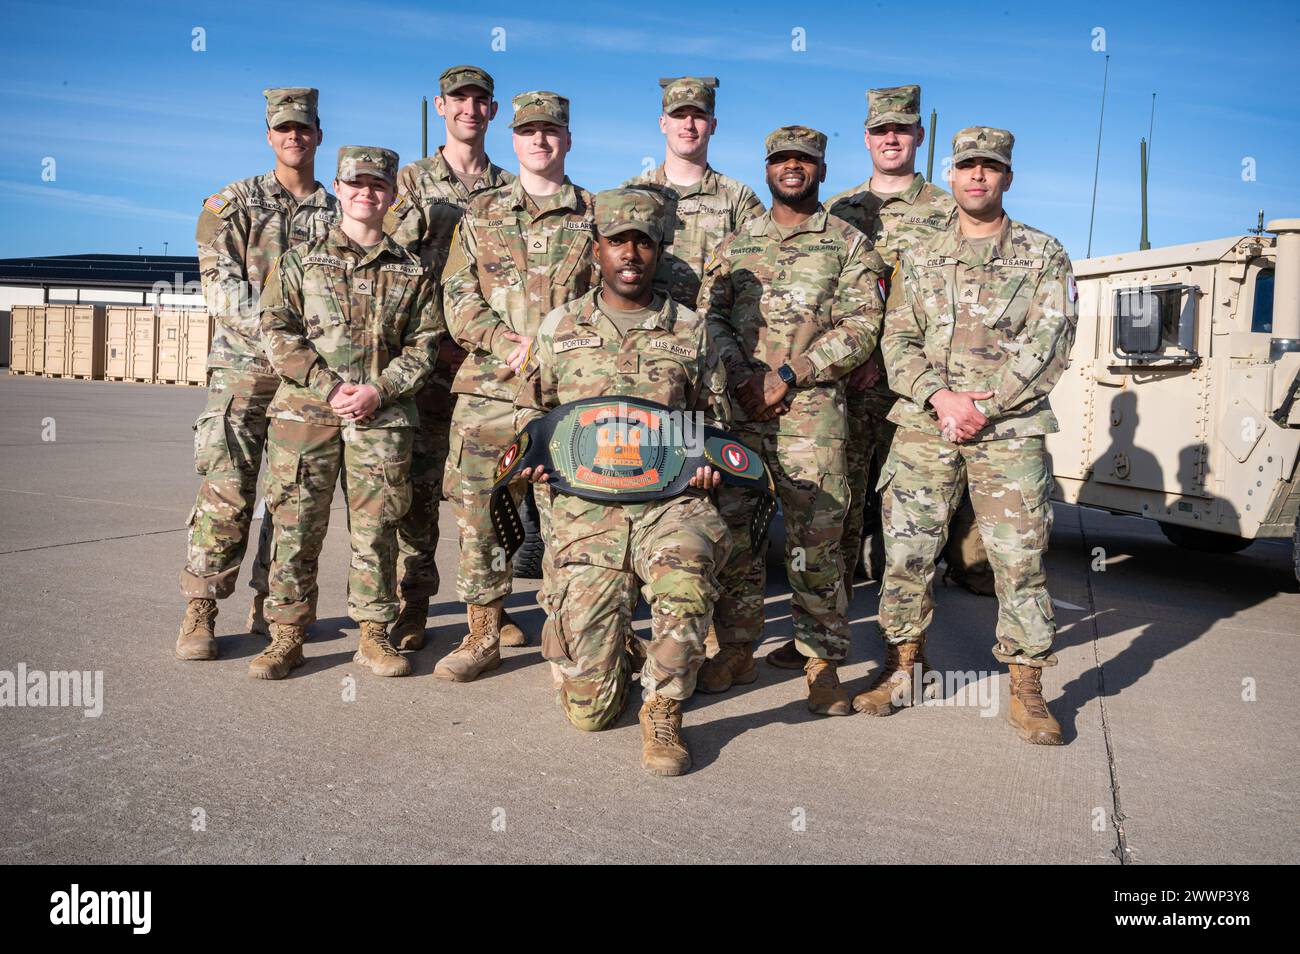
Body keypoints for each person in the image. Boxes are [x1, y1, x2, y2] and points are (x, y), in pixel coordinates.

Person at [869, 127, 1076, 742]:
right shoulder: (923, 254)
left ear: (1008, 177)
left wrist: (985, 406)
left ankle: (1028, 688)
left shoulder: (1044, 254)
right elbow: (896, 339)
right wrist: (941, 398)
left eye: (990, 167)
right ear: (952, 176)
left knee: (1018, 559)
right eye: (967, 167)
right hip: (924, 425)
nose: (978, 177)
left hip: (1008, 429)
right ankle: (903, 668)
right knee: (906, 554)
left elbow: (1053, 340)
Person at [514, 187, 730, 775]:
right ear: (597, 249)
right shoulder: (560, 326)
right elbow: (532, 413)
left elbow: (709, 419)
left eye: (644, 241)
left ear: (659, 250)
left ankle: (664, 704)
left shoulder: (690, 329)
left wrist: (700, 458)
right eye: (618, 241)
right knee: (589, 713)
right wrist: (534, 454)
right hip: (587, 507)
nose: (630, 253)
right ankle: (609, 651)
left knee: (685, 576)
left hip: (670, 502)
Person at [697, 126, 887, 715]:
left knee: (818, 542)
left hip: (812, 417)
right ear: (767, 168)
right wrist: (742, 373)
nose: (793, 168)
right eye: (782, 159)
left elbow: (863, 324)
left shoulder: (849, 244)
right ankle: (736, 649)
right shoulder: (737, 245)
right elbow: (711, 318)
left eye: (805, 160)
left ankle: (822, 662)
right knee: (734, 536)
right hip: (742, 413)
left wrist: (792, 373)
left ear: (823, 171)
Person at [250, 146, 443, 680]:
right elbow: (276, 329)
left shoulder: (413, 272)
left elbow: (425, 345)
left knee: (377, 530)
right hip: (306, 415)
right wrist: (327, 385)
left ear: (392, 195)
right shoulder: (299, 261)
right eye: (356, 183)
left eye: (377, 185)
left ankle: (373, 633)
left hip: (381, 420)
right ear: (338, 187)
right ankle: (286, 634)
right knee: (295, 523)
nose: (366, 193)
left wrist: (380, 390)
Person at [436, 91, 597, 681]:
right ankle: (483, 633)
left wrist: (557, 347)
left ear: (568, 139)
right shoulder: (481, 215)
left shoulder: (597, 214)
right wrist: (507, 342)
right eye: (529, 131)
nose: (540, 140)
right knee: (481, 516)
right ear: (514, 139)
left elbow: (613, 297)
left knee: (572, 517)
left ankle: (571, 633)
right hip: (489, 391)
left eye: (551, 131)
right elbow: (457, 296)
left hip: (566, 396)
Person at [177, 87, 340, 661]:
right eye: (283, 128)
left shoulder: (340, 209)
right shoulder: (233, 204)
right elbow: (221, 289)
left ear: (319, 135)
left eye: (304, 128)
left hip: (308, 380)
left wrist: (313, 359)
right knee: (227, 490)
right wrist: (285, 341)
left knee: (292, 495)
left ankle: (274, 604)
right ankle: (201, 609)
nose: (294, 137)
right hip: (244, 370)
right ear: (268, 136)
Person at [383, 65, 515, 652]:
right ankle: (413, 604)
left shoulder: (512, 190)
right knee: (414, 491)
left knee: (486, 492)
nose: (469, 109)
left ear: (492, 110)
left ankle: (490, 606)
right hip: (421, 364)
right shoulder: (408, 182)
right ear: (440, 106)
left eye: (480, 100)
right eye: (458, 99)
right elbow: (386, 270)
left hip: (484, 365)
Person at [622, 76, 764, 308]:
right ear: (662, 123)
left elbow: (757, 273)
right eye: (678, 115)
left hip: (712, 334)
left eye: (698, 116)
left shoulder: (739, 199)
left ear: (713, 125)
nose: (688, 124)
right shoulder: (632, 193)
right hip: (644, 333)